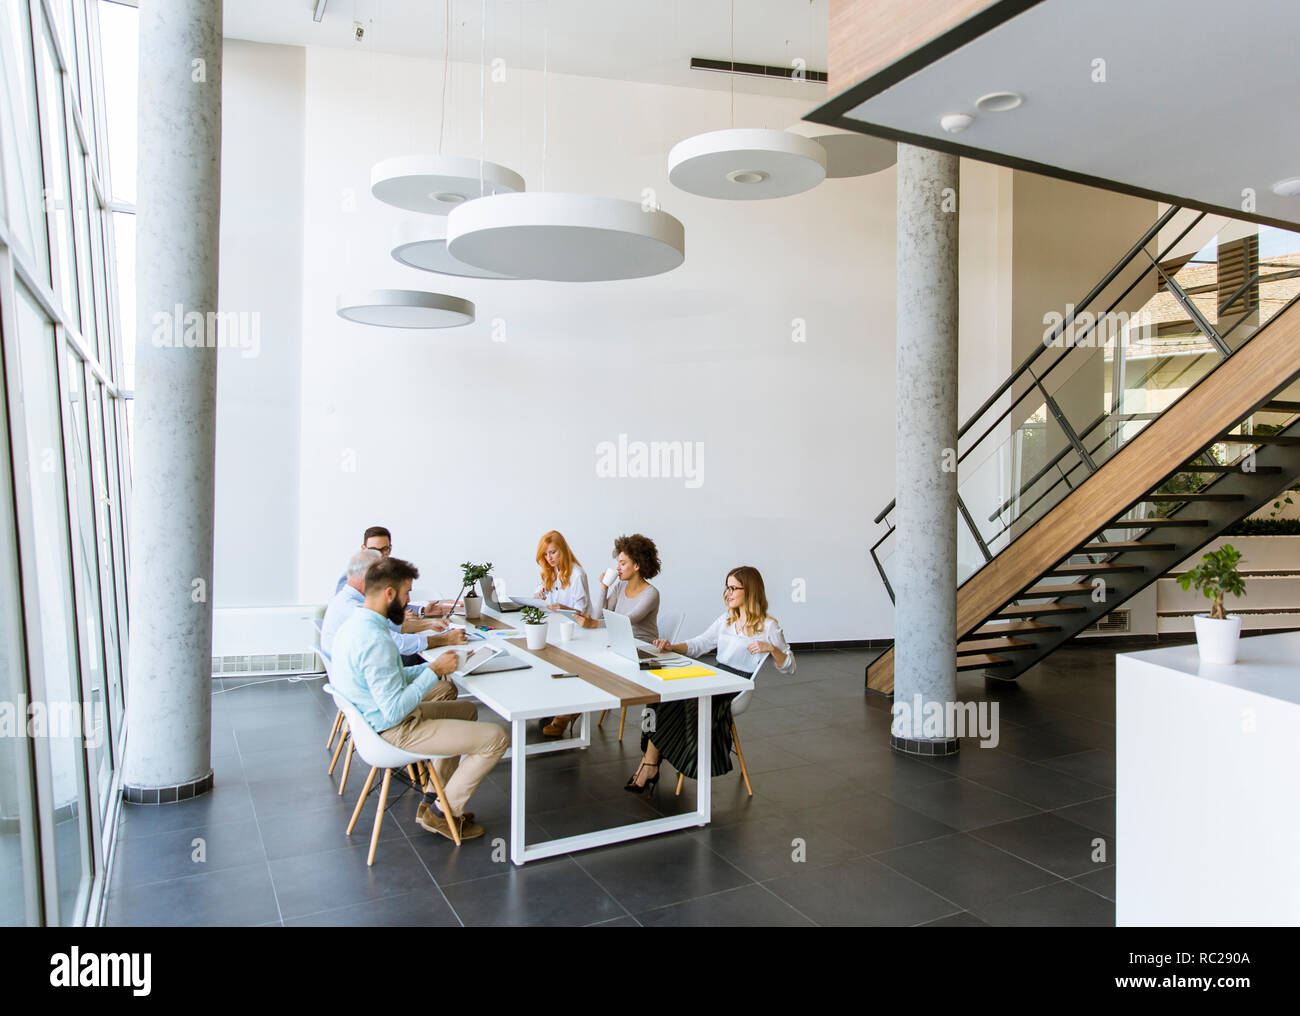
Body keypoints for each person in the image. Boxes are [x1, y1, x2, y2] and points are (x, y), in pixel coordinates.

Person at [330, 556, 509, 842]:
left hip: (375, 720)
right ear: (389, 593)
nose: (408, 600)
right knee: (497, 737)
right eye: (406, 593)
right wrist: (434, 672)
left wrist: (432, 668)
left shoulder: (357, 626)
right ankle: (443, 814)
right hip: (393, 729)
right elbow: (394, 710)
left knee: (465, 710)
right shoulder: (375, 640)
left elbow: (394, 674)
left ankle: (434, 795)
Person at [626, 566, 794, 793]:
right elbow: (699, 644)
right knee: (658, 697)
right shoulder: (726, 619)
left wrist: (772, 648)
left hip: (737, 686)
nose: (728, 592)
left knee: (679, 701)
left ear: (751, 590)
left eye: (734, 588)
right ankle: (650, 761)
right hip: (716, 675)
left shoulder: (768, 626)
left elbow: (790, 667)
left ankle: (650, 764)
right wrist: (671, 647)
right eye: (727, 587)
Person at [544, 534, 662, 738]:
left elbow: (626, 621)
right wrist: (604, 587)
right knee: (580, 658)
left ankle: (571, 711)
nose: (618, 568)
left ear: (637, 565)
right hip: (619, 643)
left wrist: (594, 624)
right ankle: (570, 708)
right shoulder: (620, 586)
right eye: (618, 563)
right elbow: (599, 614)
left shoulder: (651, 593)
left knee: (592, 665)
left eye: (623, 563)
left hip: (641, 650)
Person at [322, 549, 466, 667]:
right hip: (364, 680)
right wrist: (444, 641)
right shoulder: (355, 609)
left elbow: (392, 627)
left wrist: (428, 623)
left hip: (355, 673)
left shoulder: (351, 600)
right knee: (419, 661)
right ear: (370, 576)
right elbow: (396, 643)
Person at [334, 526, 446, 618]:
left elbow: (390, 605)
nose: (380, 554)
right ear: (364, 549)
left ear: (390, 549)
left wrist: (422, 611)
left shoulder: (386, 574)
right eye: (373, 550)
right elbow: (359, 612)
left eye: (384, 549)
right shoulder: (353, 576)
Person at [533, 530, 591, 612]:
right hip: (558, 620)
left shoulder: (577, 574)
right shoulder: (552, 570)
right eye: (545, 554)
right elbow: (542, 588)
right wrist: (538, 594)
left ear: (563, 550)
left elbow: (581, 611)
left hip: (577, 623)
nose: (549, 558)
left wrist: (564, 609)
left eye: (553, 552)